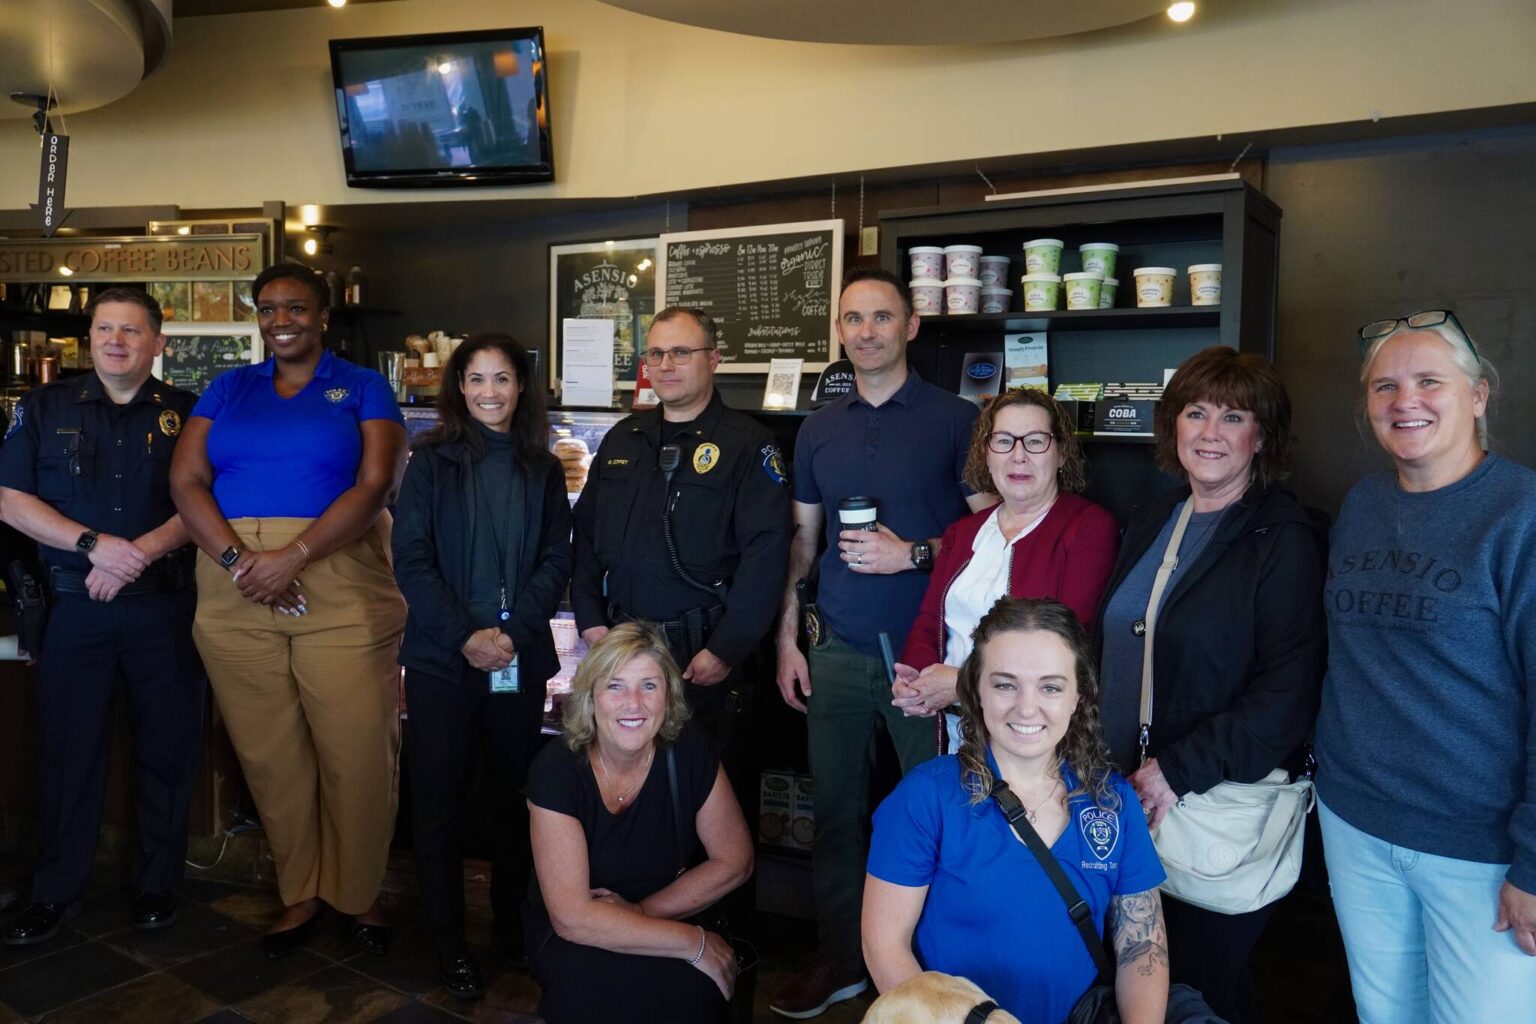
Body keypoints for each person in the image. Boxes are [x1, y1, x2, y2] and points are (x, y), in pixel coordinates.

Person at [169, 262, 407, 959]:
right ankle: (300, 893)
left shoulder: (362, 386)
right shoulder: (228, 385)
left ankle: (357, 893)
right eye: (268, 310)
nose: (281, 322)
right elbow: (185, 479)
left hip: (337, 578)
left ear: (323, 315)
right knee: (270, 754)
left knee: (358, 748)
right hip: (232, 583)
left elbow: (376, 483)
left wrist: (293, 556)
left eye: (296, 309)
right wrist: (242, 562)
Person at [771, 266, 992, 1018]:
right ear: (839, 330)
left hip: (924, 659)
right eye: (853, 319)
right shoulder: (817, 428)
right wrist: (789, 639)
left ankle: (931, 973)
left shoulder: (955, 419)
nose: (866, 332)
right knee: (835, 813)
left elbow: (992, 536)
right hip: (832, 647)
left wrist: (915, 554)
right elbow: (803, 544)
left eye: (881, 317)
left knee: (930, 817)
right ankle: (843, 958)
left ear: (911, 326)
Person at [1093, 345, 1325, 1023]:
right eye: (1196, 412)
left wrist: (1174, 771)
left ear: (1262, 436)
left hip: (1208, 804)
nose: (1211, 432)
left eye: (1233, 416)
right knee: (1140, 981)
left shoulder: (1281, 536)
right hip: (1126, 794)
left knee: (1197, 987)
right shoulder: (1155, 516)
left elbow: (1287, 694)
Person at [1315, 310, 1536, 1020]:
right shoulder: (1363, 503)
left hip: (1480, 851)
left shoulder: (1521, 516)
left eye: (1429, 381)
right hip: (1355, 822)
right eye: (1385, 387)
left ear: (1477, 395)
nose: (1404, 401)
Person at [0, 288, 203, 945]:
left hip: (164, 607)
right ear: (89, 338)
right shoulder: (43, 406)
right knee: (67, 754)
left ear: (158, 343)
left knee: (166, 752)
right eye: (104, 329)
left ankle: (155, 886)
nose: (116, 340)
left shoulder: (190, 414)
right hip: (74, 610)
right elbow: (9, 499)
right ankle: (55, 892)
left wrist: (136, 554)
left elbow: (208, 502)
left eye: (132, 331)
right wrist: (95, 547)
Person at [864, 597, 1169, 1024]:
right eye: (1006, 684)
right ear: (976, 691)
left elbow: (1142, 952)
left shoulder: (1112, 802)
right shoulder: (925, 797)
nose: (1027, 708)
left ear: (1078, 696)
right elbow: (884, 945)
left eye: (1050, 686)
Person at [392, 332, 572, 997]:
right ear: (458, 388)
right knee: (436, 804)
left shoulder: (542, 467)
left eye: (501, 379)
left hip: (515, 661)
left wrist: (512, 632)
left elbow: (558, 559)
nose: (489, 392)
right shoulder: (432, 460)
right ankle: (448, 943)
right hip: (443, 659)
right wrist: (466, 635)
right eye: (475, 380)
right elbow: (410, 559)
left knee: (515, 802)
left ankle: (510, 930)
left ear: (521, 387)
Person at [571, 305, 791, 747]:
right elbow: (587, 537)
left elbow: (766, 555)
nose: (665, 365)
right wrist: (590, 619)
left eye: (680, 352)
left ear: (714, 359)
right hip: (624, 656)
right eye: (655, 354)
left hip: (702, 660)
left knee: (707, 795)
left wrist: (727, 649)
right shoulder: (623, 438)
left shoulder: (748, 443)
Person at [524, 622, 754, 1024]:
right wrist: (694, 942)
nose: (633, 703)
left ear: (668, 695)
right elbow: (572, 917)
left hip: (665, 910)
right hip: (574, 932)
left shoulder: (689, 749)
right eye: (615, 686)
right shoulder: (557, 768)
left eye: (649, 686)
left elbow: (735, 859)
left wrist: (642, 911)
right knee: (586, 995)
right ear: (591, 696)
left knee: (697, 996)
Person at [895, 388, 1118, 752]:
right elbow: (928, 622)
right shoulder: (964, 531)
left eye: (1034, 441)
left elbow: (1068, 642)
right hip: (955, 729)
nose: (1018, 456)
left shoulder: (1088, 527)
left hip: (1033, 737)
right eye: (1003, 441)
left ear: (1061, 453)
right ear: (986, 453)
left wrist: (963, 683)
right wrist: (915, 679)